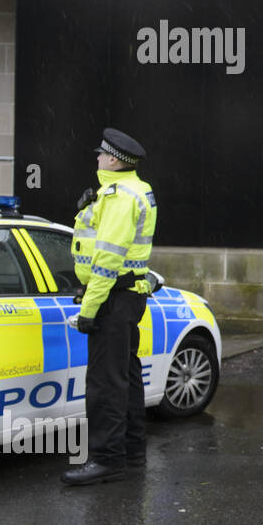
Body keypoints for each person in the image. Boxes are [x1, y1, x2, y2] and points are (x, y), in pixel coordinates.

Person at [62, 128, 157, 486]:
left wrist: (90, 306)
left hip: (113, 296)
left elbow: (107, 259)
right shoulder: (134, 189)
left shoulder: (119, 196)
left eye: (101, 155)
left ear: (113, 159)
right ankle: (131, 452)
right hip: (127, 295)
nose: (98, 159)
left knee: (105, 383)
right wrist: (89, 209)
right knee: (126, 377)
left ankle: (105, 460)